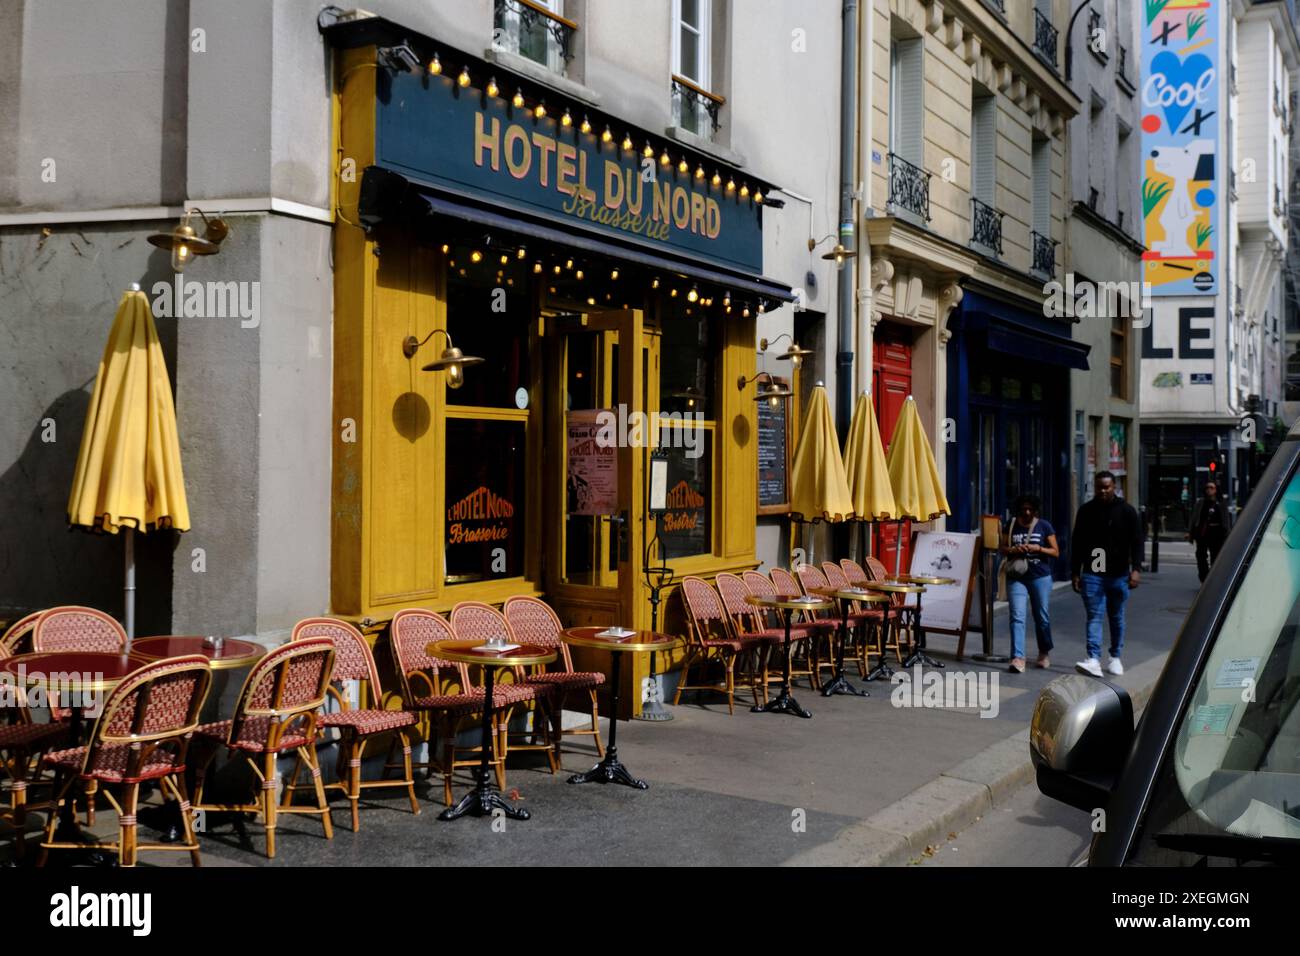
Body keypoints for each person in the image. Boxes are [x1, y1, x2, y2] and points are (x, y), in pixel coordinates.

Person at [1070, 471, 1143, 677]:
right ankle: (1093, 658)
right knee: (1094, 615)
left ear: (1114, 486)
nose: (1103, 491)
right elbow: (1078, 542)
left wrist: (1136, 569)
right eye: (1100, 487)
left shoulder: (1127, 511)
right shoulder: (1086, 511)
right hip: (1094, 572)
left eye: (1107, 487)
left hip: (1119, 573)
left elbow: (1137, 541)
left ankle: (1115, 656)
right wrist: (1075, 572)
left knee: (1116, 616)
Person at [1001, 494, 1058, 674]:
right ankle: (1018, 657)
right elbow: (1002, 548)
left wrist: (1038, 548)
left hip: (1039, 576)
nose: (1026, 512)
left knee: (1042, 616)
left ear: (1035, 510)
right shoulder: (1010, 525)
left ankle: (1044, 652)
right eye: (1023, 509)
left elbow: (1055, 552)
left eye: (1030, 509)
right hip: (1016, 575)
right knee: (1017, 615)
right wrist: (1014, 549)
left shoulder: (1044, 526)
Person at [1187, 480, 1232, 582]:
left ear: (1216, 490)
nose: (1209, 490)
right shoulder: (1200, 503)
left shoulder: (1220, 503)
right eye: (1207, 488)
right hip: (1202, 534)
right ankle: (1204, 577)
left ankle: (1212, 579)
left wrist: (1226, 534)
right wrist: (1190, 532)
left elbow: (1226, 520)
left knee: (1215, 557)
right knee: (1200, 555)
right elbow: (1194, 518)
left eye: (1212, 488)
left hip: (1216, 535)